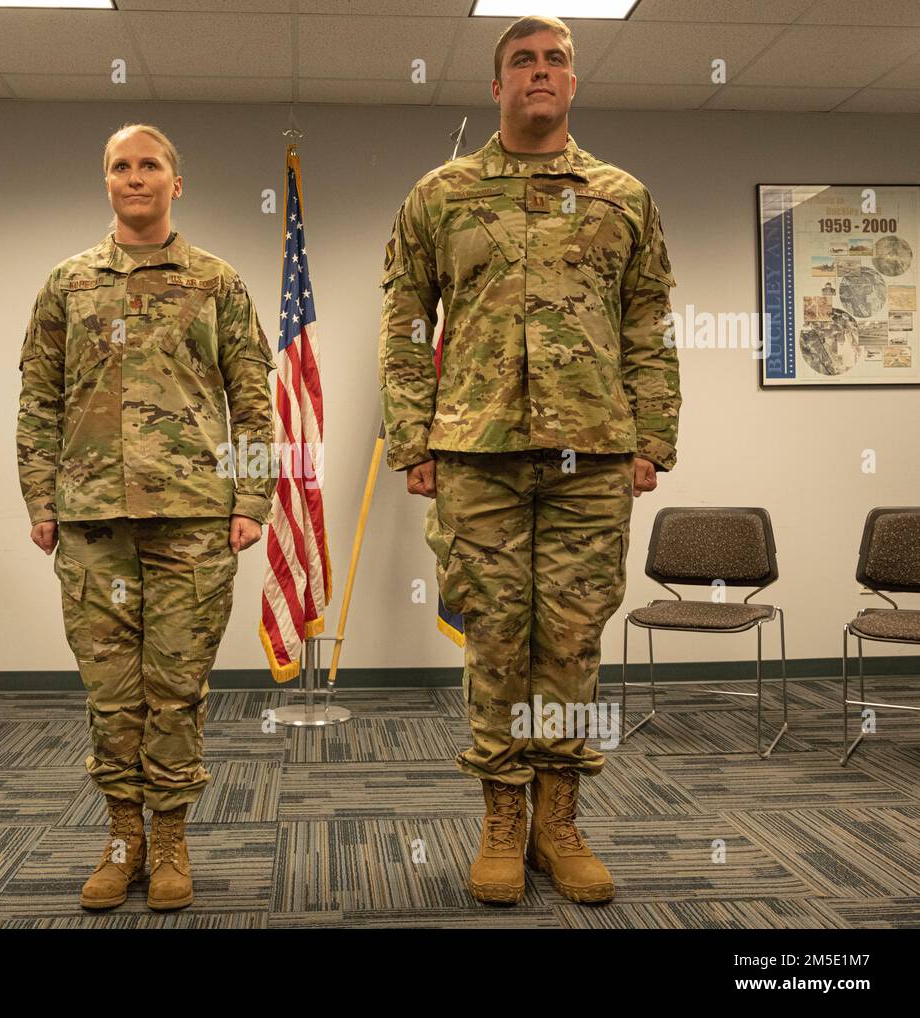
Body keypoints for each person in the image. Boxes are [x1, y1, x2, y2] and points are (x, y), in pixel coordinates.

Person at [378, 15, 681, 905]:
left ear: (574, 84)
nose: (539, 72)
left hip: (595, 453)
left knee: (575, 640)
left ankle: (560, 818)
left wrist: (653, 437)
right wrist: (411, 438)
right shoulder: (441, 194)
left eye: (555, 60)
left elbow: (649, 322)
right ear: (497, 84)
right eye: (522, 60)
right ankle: (501, 817)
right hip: (477, 455)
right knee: (497, 639)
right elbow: (403, 322)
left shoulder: (623, 194)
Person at [16, 123, 275, 912]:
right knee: (111, 694)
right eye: (121, 166)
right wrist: (40, 498)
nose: (136, 177)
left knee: (176, 689)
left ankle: (169, 844)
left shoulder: (216, 282)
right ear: (106, 182)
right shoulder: (68, 283)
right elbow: (38, 398)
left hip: (193, 521)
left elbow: (255, 401)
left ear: (176, 182)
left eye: (151, 165)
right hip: (93, 522)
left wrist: (253, 500)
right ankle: (121, 838)